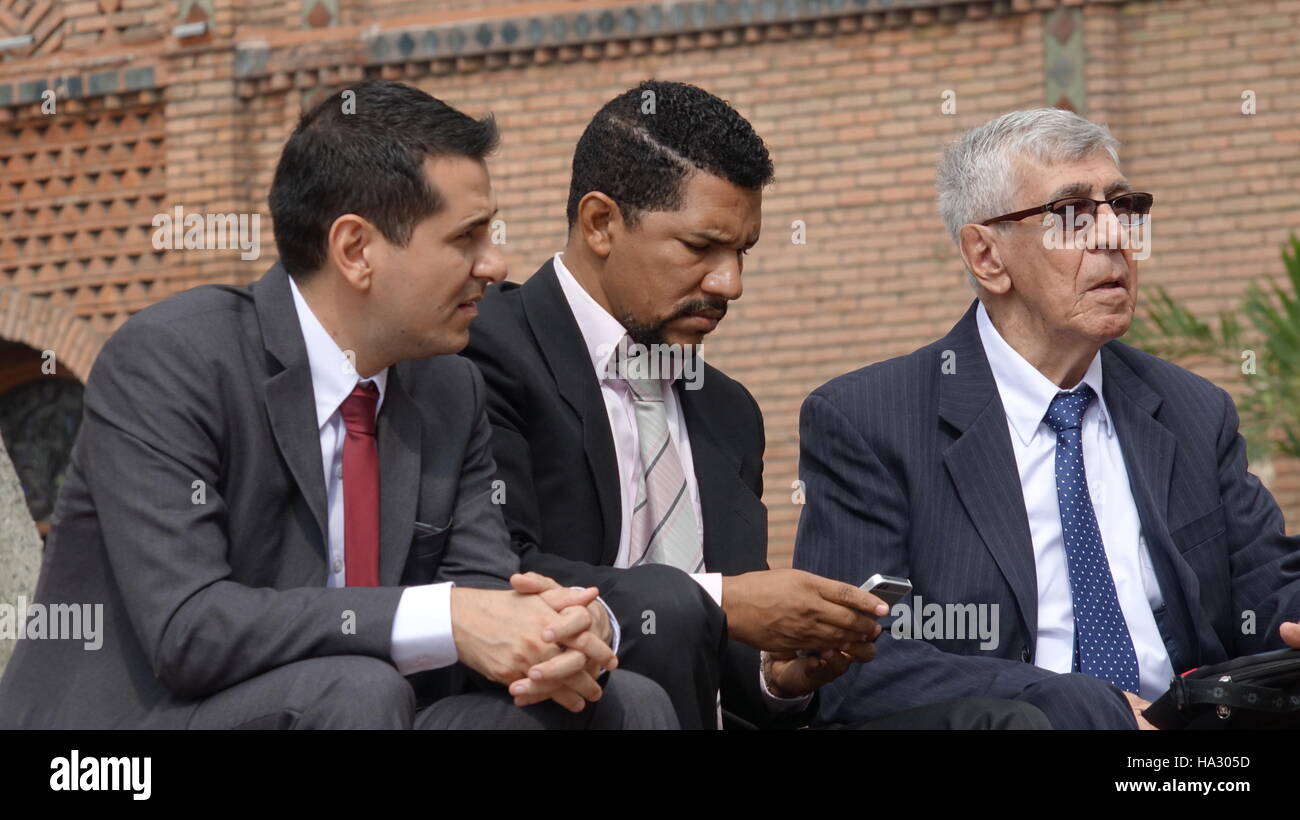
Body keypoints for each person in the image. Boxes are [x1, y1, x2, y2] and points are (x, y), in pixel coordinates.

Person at [0, 80, 676, 730]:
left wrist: (564, 634)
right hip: (121, 743)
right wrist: (448, 619)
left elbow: (482, 597)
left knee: (620, 704)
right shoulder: (171, 360)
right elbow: (189, 630)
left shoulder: (450, 388)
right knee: (355, 690)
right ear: (356, 250)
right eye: (465, 238)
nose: (494, 265)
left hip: (363, 708)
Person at [463, 81, 1049, 731]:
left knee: (1002, 724)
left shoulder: (727, 410)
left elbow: (733, 659)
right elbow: (499, 579)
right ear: (601, 223)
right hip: (567, 714)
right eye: (700, 248)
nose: (729, 284)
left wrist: (780, 675)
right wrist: (722, 602)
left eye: (743, 252)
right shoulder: (485, 351)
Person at [793, 107, 1300, 729]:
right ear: (987, 256)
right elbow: (858, 663)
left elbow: (1270, 596)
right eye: (1074, 215)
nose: (1115, 235)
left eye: (1124, 207)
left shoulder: (1193, 411)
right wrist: (1084, 707)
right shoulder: (869, 421)